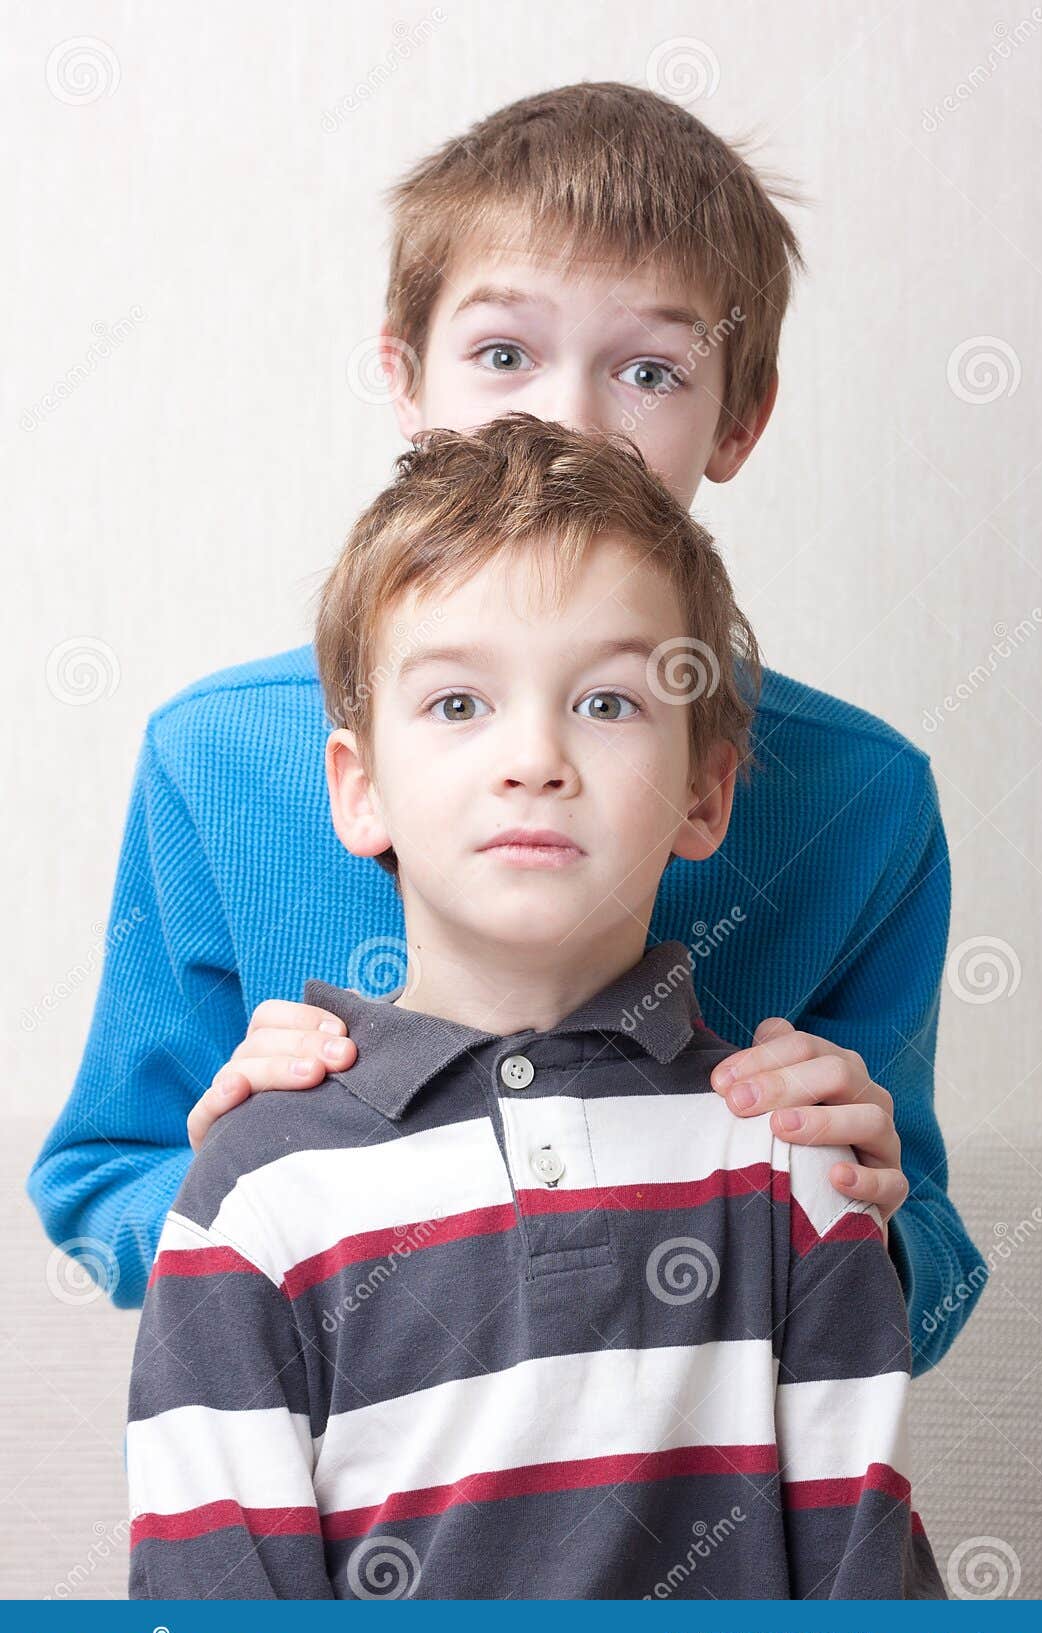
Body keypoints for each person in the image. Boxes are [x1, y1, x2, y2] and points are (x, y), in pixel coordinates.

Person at [29, 82, 983, 1374]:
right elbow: (100, 1196)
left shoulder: (856, 799)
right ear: (402, 379)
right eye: (501, 355)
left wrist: (871, 1221)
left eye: (648, 370)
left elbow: (924, 1285)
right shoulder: (217, 760)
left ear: (737, 420)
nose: (562, 421)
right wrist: (223, 1188)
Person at [127, 415, 946, 1600]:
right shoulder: (254, 1194)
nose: (534, 757)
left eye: (606, 704)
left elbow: (871, 1617)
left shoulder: (791, 1167)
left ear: (704, 796)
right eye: (459, 705)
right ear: (359, 794)